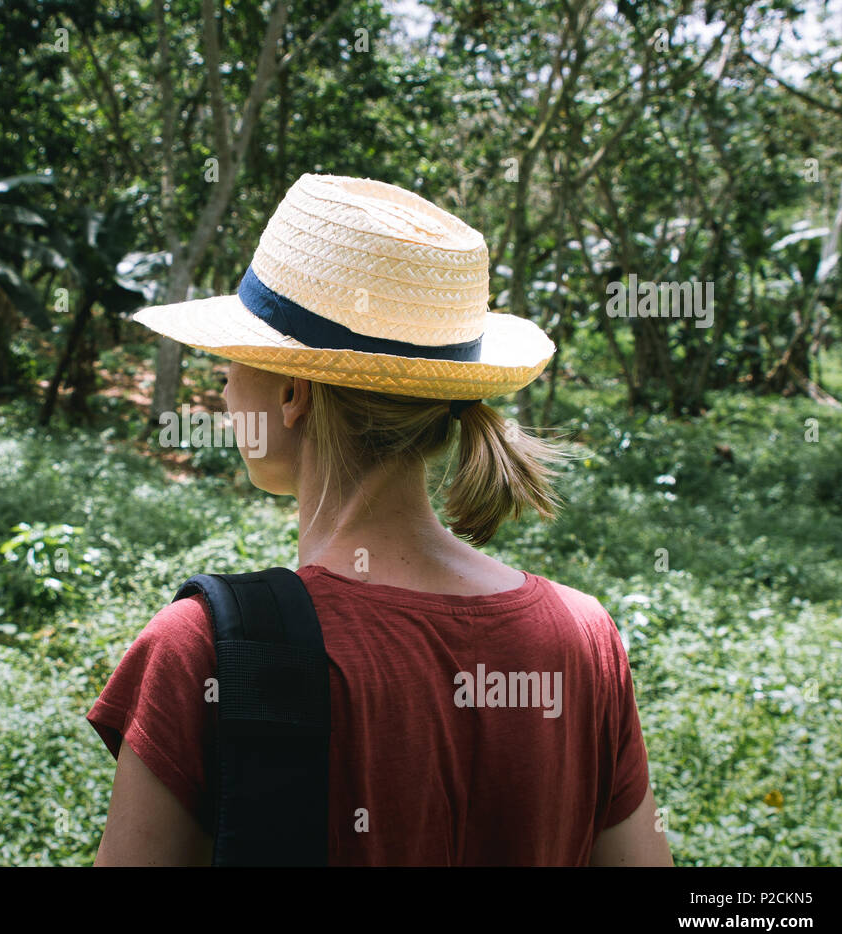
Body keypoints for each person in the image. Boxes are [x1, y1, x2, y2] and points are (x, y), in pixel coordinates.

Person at [87, 173, 673, 866]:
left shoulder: (203, 652)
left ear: (292, 392)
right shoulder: (583, 640)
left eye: (232, 360)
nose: (220, 384)